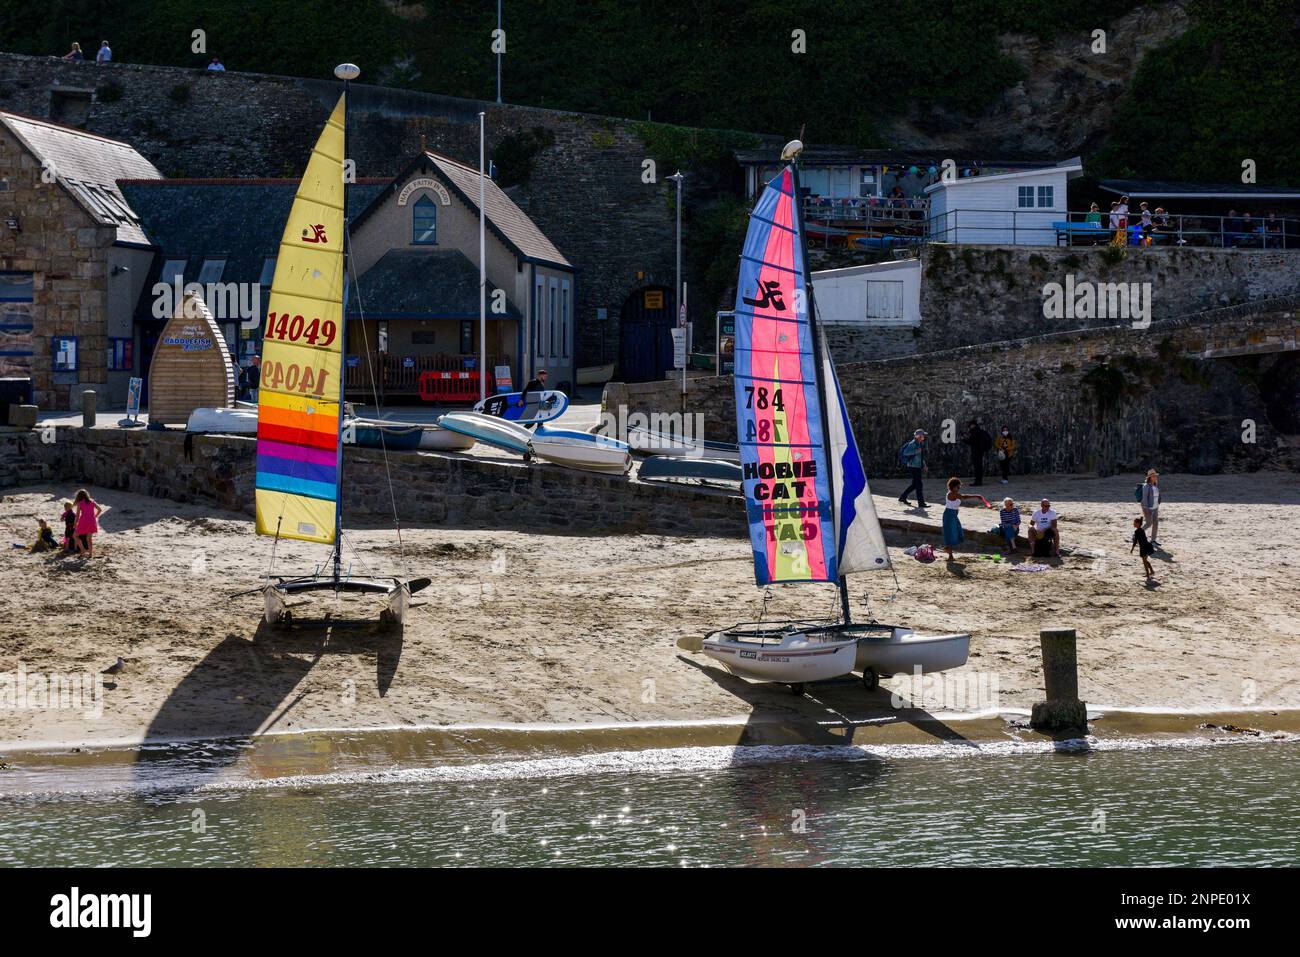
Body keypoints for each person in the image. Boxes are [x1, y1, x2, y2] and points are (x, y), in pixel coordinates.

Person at [942, 477, 991, 560]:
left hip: (953, 516)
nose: (959, 488)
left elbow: (961, 497)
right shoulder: (952, 494)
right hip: (949, 516)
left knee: (955, 532)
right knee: (951, 534)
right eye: (957, 487)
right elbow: (964, 497)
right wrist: (976, 496)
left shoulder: (954, 493)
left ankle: (948, 549)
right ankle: (950, 554)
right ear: (953, 487)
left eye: (959, 487)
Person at [898, 428, 929, 508]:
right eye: (923, 435)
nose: (924, 436)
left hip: (917, 466)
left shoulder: (918, 443)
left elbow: (920, 456)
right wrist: (916, 452)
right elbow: (905, 453)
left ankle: (902, 497)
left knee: (915, 485)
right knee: (919, 485)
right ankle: (921, 503)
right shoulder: (912, 444)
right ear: (919, 436)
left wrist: (924, 465)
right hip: (913, 467)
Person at [73, 489, 104, 558]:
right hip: (92, 521)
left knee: (75, 536)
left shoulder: (80, 503)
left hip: (83, 521)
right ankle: (90, 554)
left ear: (79, 496)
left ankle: (83, 550)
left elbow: (77, 515)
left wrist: (75, 524)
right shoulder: (92, 501)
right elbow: (100, 509)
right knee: (89, 539)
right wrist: (95, 516)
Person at [963, 419, 992, 486]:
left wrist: (964, 439)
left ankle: (978, 481)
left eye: (970, 425)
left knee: (977, 467)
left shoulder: (975, 432)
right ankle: (978, 481)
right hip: (979, 451)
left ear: (973, 425)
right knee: (978, 466)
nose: (969, 426)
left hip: (976, 452)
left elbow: (971, 442)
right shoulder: (978, 431)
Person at [1140, 469, 1161, 549]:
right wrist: (1146, 508)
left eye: (1156, 476)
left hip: (1155, 508)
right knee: (1149, 523)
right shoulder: (1146, 486)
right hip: (1148, 508)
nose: (1156, 477)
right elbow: (1144, 498)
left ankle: (1153, 540)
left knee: (1156, 524)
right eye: (1154, 476)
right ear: (1150, 477)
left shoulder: (1155, 485)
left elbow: (1156, 496)